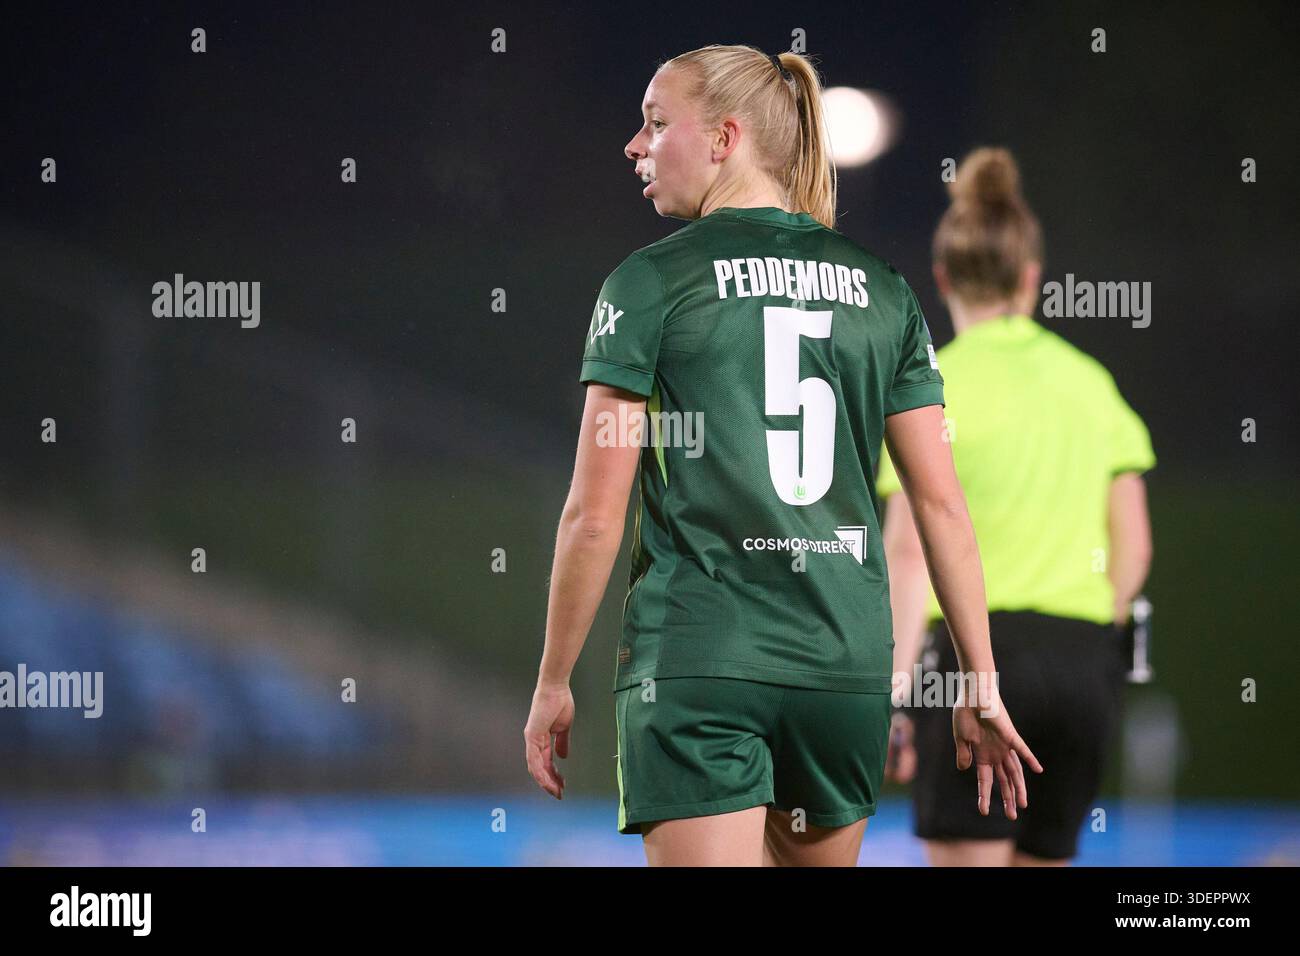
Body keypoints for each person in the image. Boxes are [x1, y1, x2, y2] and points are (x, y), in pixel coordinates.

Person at [524, 45, 1039, 867]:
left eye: (656, 125)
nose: (634, 145)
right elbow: (942, 505)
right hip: (841, 671)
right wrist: (980, 683)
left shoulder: (649, 283)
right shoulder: (884, 290)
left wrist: (555, 678)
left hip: (701, 665)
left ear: (725, 138)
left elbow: (594, 516)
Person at [880, 147, 1156, 866]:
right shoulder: (1092, 384)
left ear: (942, 279)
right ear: (1032, 278)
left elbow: (910, 554)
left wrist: (895, 694)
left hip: (977, 665)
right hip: (1082, 666)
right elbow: (1133, 548)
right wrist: (1095, 643)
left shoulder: (928, 385)